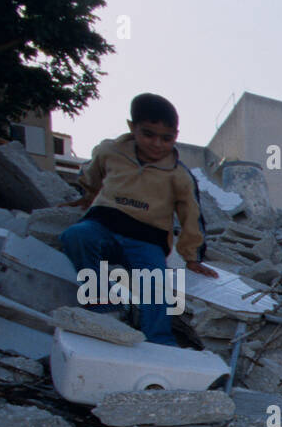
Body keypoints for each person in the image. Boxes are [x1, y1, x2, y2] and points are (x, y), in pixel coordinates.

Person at [58, 93, 217, 346]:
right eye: (148, 134)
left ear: (176, 135)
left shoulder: (178, 175)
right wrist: (87, 195)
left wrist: (192, 257)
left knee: (156, 284)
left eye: (166, 138)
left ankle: (160, 341)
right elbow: (92, 174)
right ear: (132, 127)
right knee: (76, 236)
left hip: (146, 240)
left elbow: (191, 215)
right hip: (104, 227)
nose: (157, 144)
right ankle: (103, 308)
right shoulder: (110, 151)